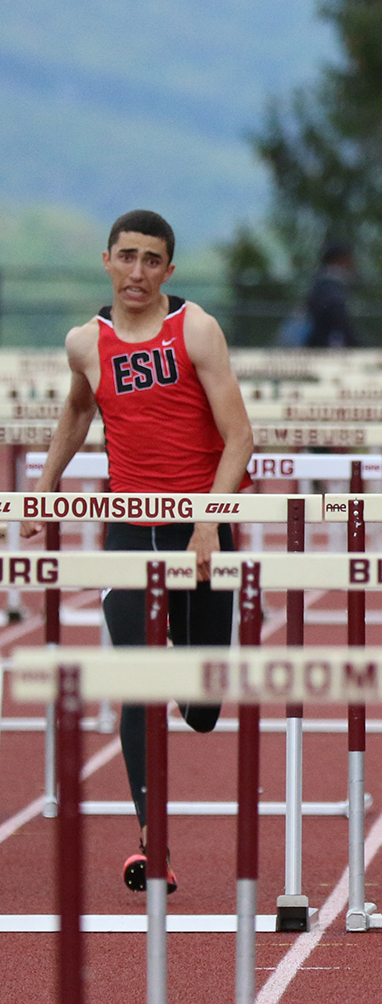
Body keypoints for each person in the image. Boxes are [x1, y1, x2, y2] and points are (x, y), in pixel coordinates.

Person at [29, 210, 255, 893]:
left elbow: (240, 436)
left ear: (168, 271)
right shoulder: (85, 343)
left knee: (205, 707)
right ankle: (152, 839)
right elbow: (77, 411)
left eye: (151, 260)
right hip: (129, 528)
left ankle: (203, 677)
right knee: (136, 673)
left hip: (202, 525)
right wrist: (43, 486)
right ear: (106, 261)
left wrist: (210, 522)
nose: (137, 271)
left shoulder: (197, 330)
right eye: (126, 257)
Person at [303, 239, 362, 348]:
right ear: (339, 259)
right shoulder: (329, 286)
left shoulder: (322, 283)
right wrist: (359, 344)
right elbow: (338, 321)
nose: (353, 263)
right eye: (349, 258)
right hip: (325, 347)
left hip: (322, 345)